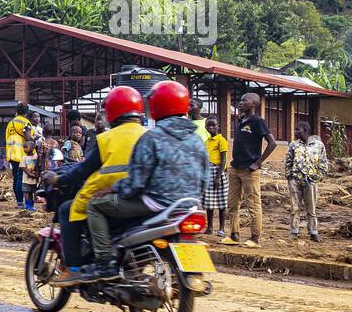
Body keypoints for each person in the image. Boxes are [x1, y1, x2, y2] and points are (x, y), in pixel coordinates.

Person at [77, 82, 207, 281]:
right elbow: (206, 177)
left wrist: (113, 189)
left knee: (95, 206)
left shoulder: (152, 137)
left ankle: (104, 264)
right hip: (189, 205)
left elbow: (136, 183)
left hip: (156, 202)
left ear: (156, 106)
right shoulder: (197, 139)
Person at [50, 87, 148, 287]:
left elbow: (84, 170)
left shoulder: (106, 139)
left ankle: (74, 268)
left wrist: (59, 180)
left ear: (112, 112)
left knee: (67, 209)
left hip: (114, 197)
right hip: (143, 199)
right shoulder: (149, 135)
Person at [222, 93, 276, 248]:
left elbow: (272, 144)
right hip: (235, 168)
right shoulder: (240, 120)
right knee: (232, 204)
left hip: (249, 170)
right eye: (240, 99)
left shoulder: (258, 121)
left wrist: (258, 163)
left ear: (253, 104)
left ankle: (255, 238)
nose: (240, 102)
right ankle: (234, 235)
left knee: (253, 204)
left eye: (244, 100)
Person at [285, 120, 328, 242]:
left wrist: (317, 177)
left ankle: (313, 232)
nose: (295, 132)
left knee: (311, 208)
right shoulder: (293, 145)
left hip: (311, 181)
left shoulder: (318, 145)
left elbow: (323, 163)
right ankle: (294, 232)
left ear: (305, 130)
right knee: (295, 207)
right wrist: (289, 177)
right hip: (295, 181)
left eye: (297, 129)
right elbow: (288, 162)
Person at [203, 116, 229, 236]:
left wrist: (218, 177)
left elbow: (223, 160)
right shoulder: (206, 142)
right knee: (209, 202)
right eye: (209, 125)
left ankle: (222, 228)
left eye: (214, 125)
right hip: (208, 172)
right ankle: (209, 227)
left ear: (218, 126)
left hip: (218, 172)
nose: (211, 127)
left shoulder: (221, 140)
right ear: (205, 127)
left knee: (221, 202)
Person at [5, 103, 34, 209]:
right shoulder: (25, 122)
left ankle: (19, 202)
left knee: (15, 178)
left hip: (12, 153)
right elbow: (28, 139)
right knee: (21, 178)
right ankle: (22, 203)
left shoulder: (10, 123)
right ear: (27, 112)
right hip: (22, 154)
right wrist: (36, 139)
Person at [20, 140, 41, 211]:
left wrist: (37, 174)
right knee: (26, 192)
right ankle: (27, 205)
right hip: (26, 180)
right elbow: (24, 168)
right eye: (24, 148)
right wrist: (31, 174)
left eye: (26, 147)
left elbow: (39, 165)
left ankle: (31, 205)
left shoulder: (37, 157)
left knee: (32, 193)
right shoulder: (24, 158)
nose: (24, 149)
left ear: (32, 148)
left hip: (34, 181)